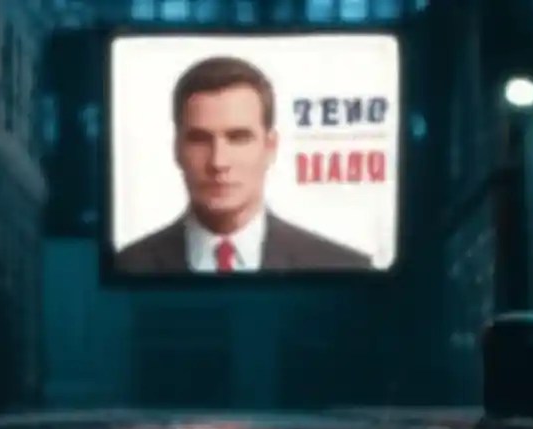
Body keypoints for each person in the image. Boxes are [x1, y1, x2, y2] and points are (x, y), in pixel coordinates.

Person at [116, 55, 373, 273]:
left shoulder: (342, 267)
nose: (218, 162)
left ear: (270, 147)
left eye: (238, 138)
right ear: (176, 149)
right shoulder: (127, 265)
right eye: (200, 140)